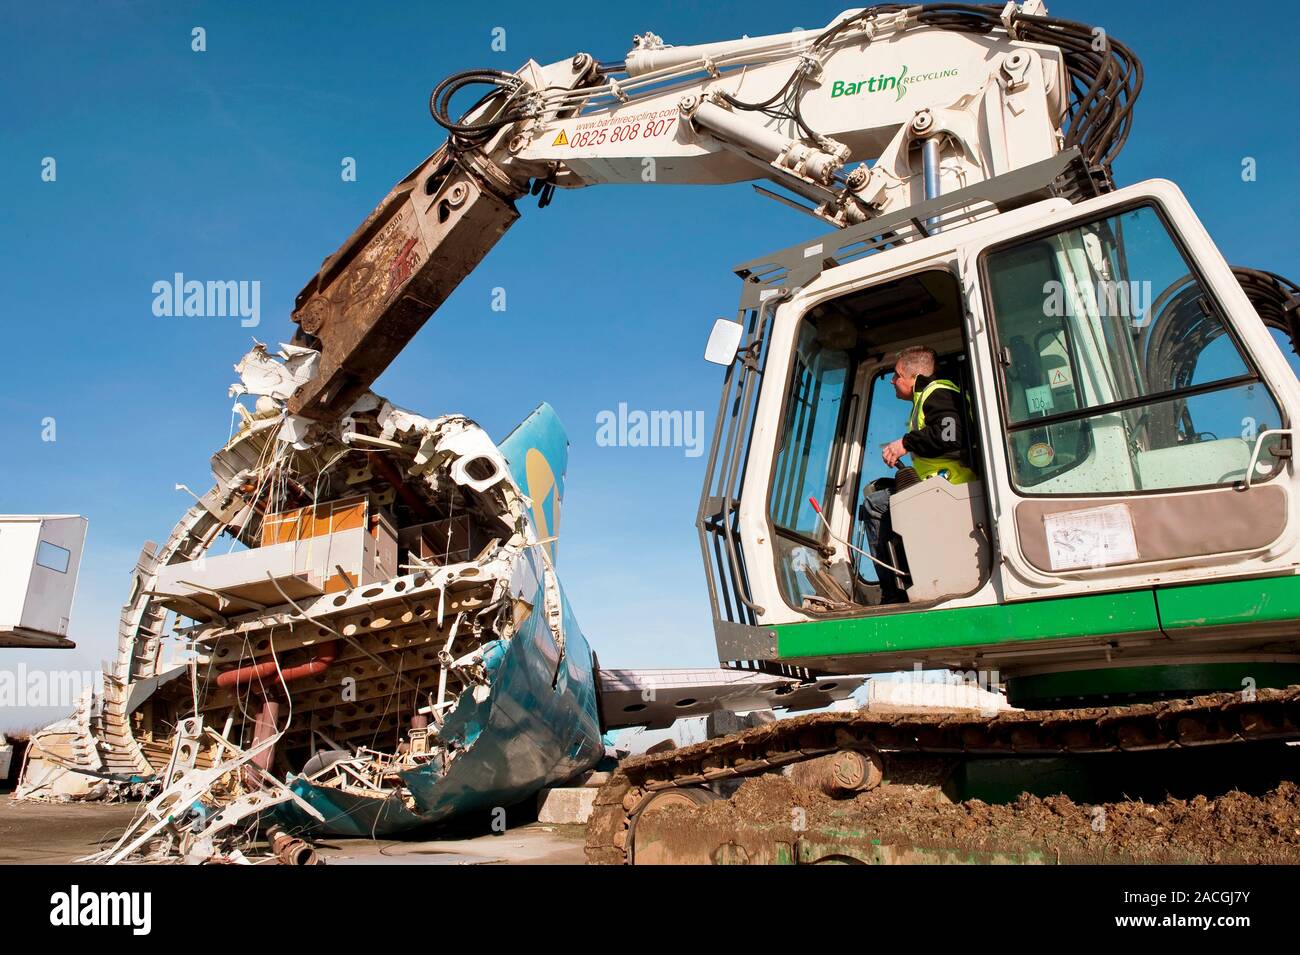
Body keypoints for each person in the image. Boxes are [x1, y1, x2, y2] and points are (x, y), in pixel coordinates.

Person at [862, 346, 976, 602]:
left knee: (874, 505)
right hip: (939, 484)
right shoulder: (929, 397)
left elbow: (950, 436)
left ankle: (892, 594)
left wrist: (906, 443)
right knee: (881, 493)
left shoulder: (938, 392)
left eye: (896, 376)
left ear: (912, 378)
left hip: (950, 487)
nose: (892, 381)